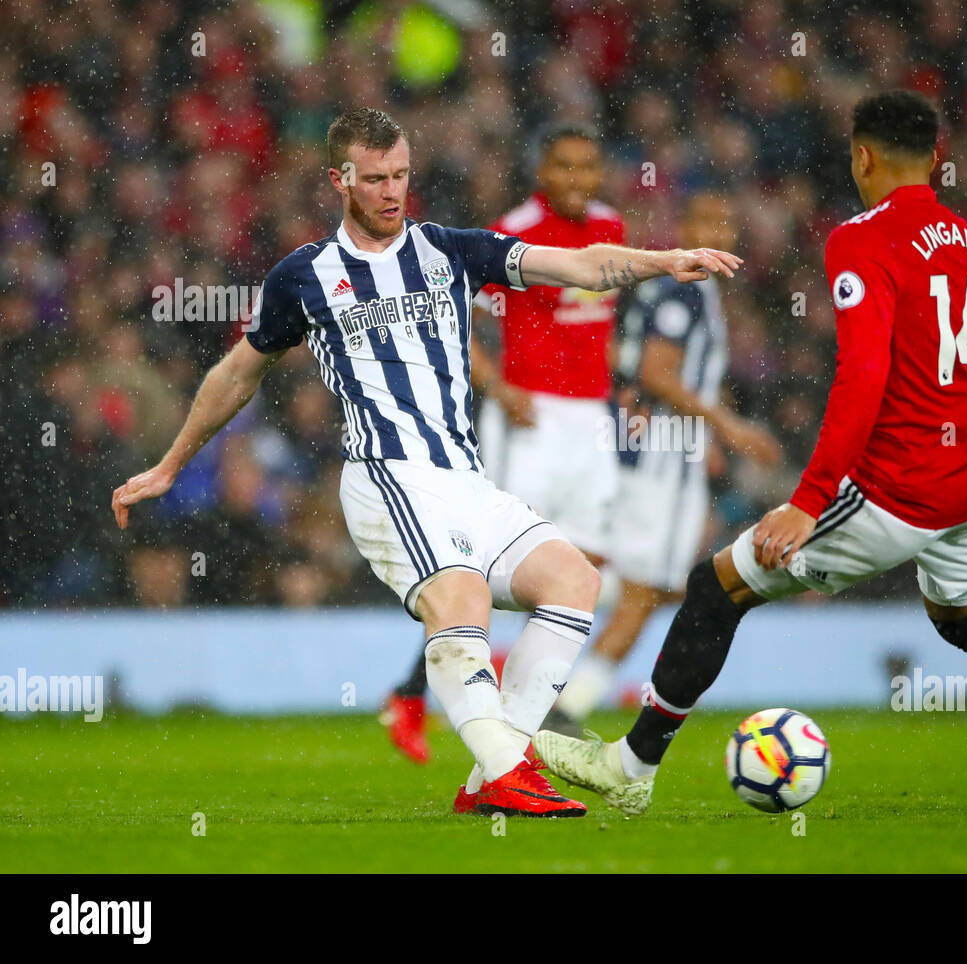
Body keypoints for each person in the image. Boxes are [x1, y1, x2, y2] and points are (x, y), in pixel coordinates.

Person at [532, 90, 967, 819]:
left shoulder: (860, 239)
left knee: (715, 589)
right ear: (936, 159)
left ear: (863, 156)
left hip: (899, 485)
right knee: (963, 616)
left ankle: (631, 767)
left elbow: (863, 376)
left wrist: (808, 503)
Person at [110, 107, 742, 818]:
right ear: (339, 180)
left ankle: (487, 781)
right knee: (461, 598)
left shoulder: (449, 250)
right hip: (385, 475)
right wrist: (169, 465)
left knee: (574, 580)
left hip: (462, 478)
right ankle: (505, 770)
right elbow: (236, 375)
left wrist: (662, 262)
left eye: (401, 175)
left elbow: (579, 264)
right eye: (375, 178)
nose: (390, 191)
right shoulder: (305, 275)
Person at [381, 123, 625, 763]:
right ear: (542, 172)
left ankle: (523, 715)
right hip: (529, 419)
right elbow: (450, 317)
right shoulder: (514, 229)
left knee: (581, 566)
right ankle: (413, 696)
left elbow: (599, 322)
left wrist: (621, 388)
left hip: (592, 419)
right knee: (487, 565)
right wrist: (494, 385)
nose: (578, 178)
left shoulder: (612, 229)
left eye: (588, 166)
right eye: (564, 165)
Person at [543, 190, 780, 735]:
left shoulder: (680, 288)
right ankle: (566, 711)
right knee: (648, 590)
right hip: (662, 467)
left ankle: (553, 611)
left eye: (724, 224)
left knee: (652, 584)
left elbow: (625, 360)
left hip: (649, 452)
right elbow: (657, 372)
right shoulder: (685, 289)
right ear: (684, 228)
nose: (716, 235)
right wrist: (731, 427)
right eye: (704, 222)